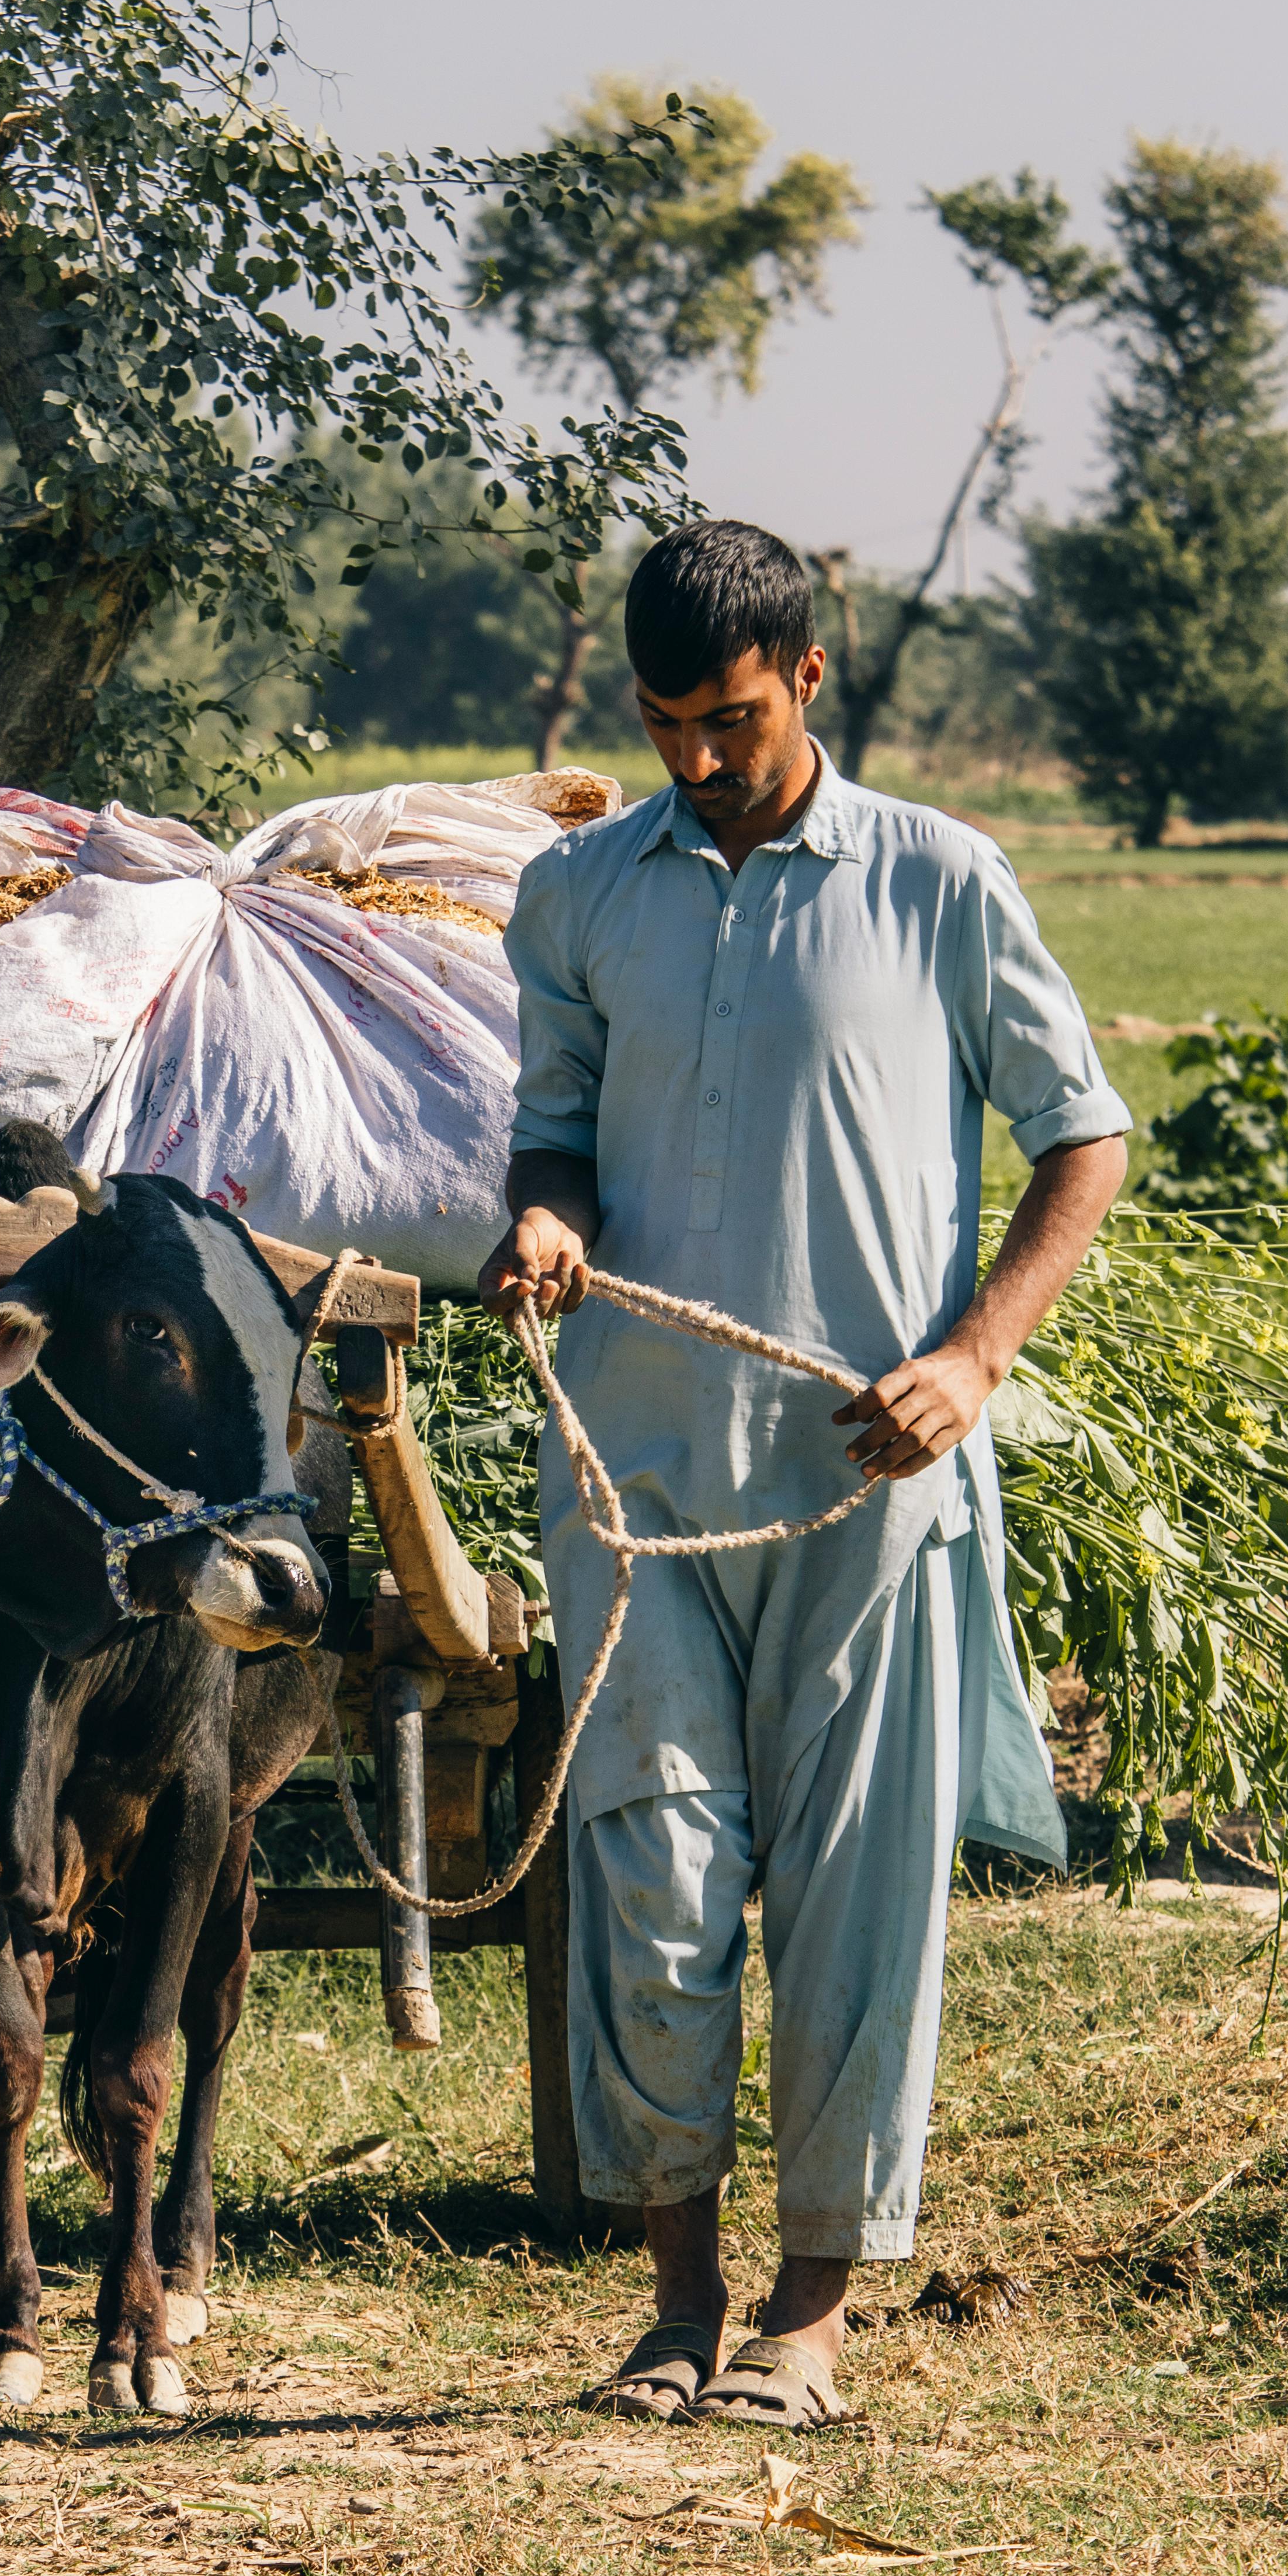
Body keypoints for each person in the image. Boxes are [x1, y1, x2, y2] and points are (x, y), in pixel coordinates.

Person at [478, 519, 1129, 2427]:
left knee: (854, 1901)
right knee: (654, 1879)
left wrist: (972, 1359)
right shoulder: (581, 894)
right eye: (669, 721)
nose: (698, 757)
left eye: (735, 720)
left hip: (865, 1485)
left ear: (812, 682)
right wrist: (540, 1224)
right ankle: (674, 2308)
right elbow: (553, 1132)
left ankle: (809, 2318)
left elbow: (1079, 1140)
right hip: (637, 1476)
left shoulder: (940, 880)